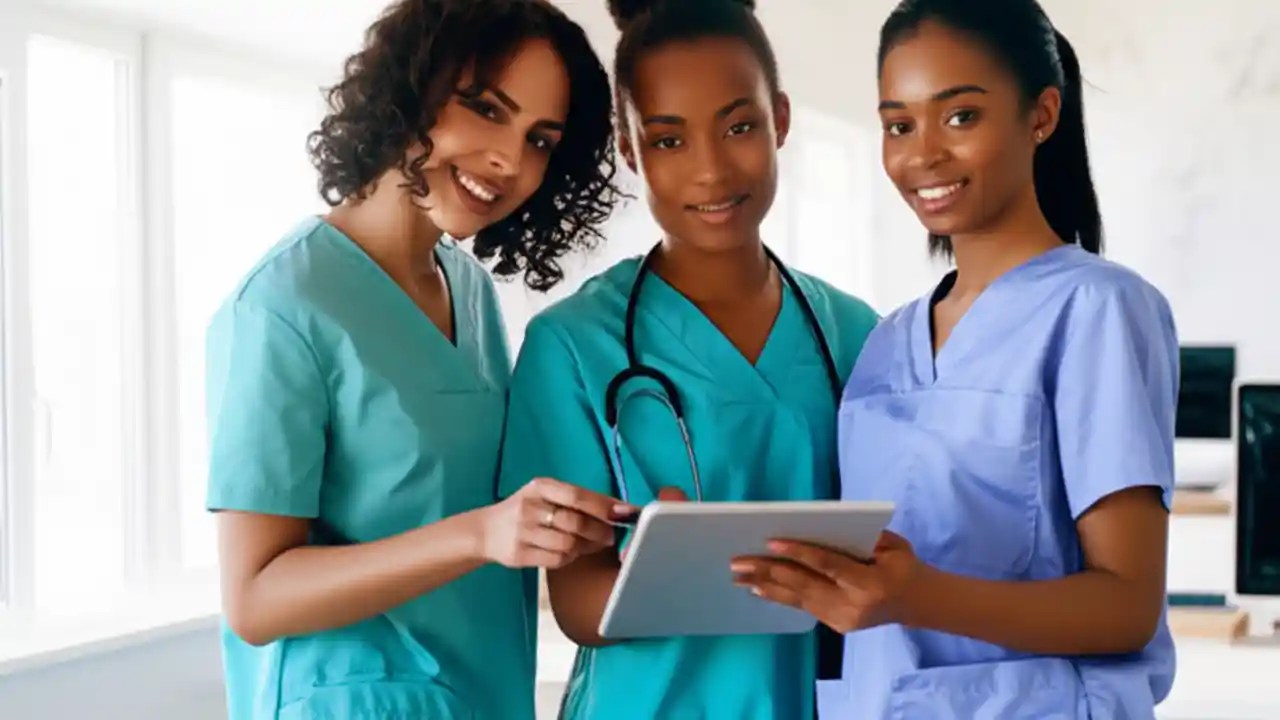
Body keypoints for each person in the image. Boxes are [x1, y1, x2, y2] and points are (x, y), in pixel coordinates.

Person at [731, 1, 1178, 717]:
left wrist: (919, 597)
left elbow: (1127, 605)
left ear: (1042, 115)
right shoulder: (886, 342)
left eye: (960, 116)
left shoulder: (1097, 308)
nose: (922, 154)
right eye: (898, 125)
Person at [203, 1, 634, 718]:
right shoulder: (281, 307)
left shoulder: (466, 290)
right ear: (412, 87)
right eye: (486, 110)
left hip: (483, 692)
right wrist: (482, 534)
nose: (510, 161)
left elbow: (473, 498)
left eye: (540, 140)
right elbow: (253, 598)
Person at [496, 0, 881, 717]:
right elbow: (578, 605)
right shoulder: (575, 345)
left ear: (782, 121)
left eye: (739, 127)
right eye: (669, 141)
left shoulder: (858, 336)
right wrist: (666, 568)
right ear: (631, 147)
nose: (710, 171)